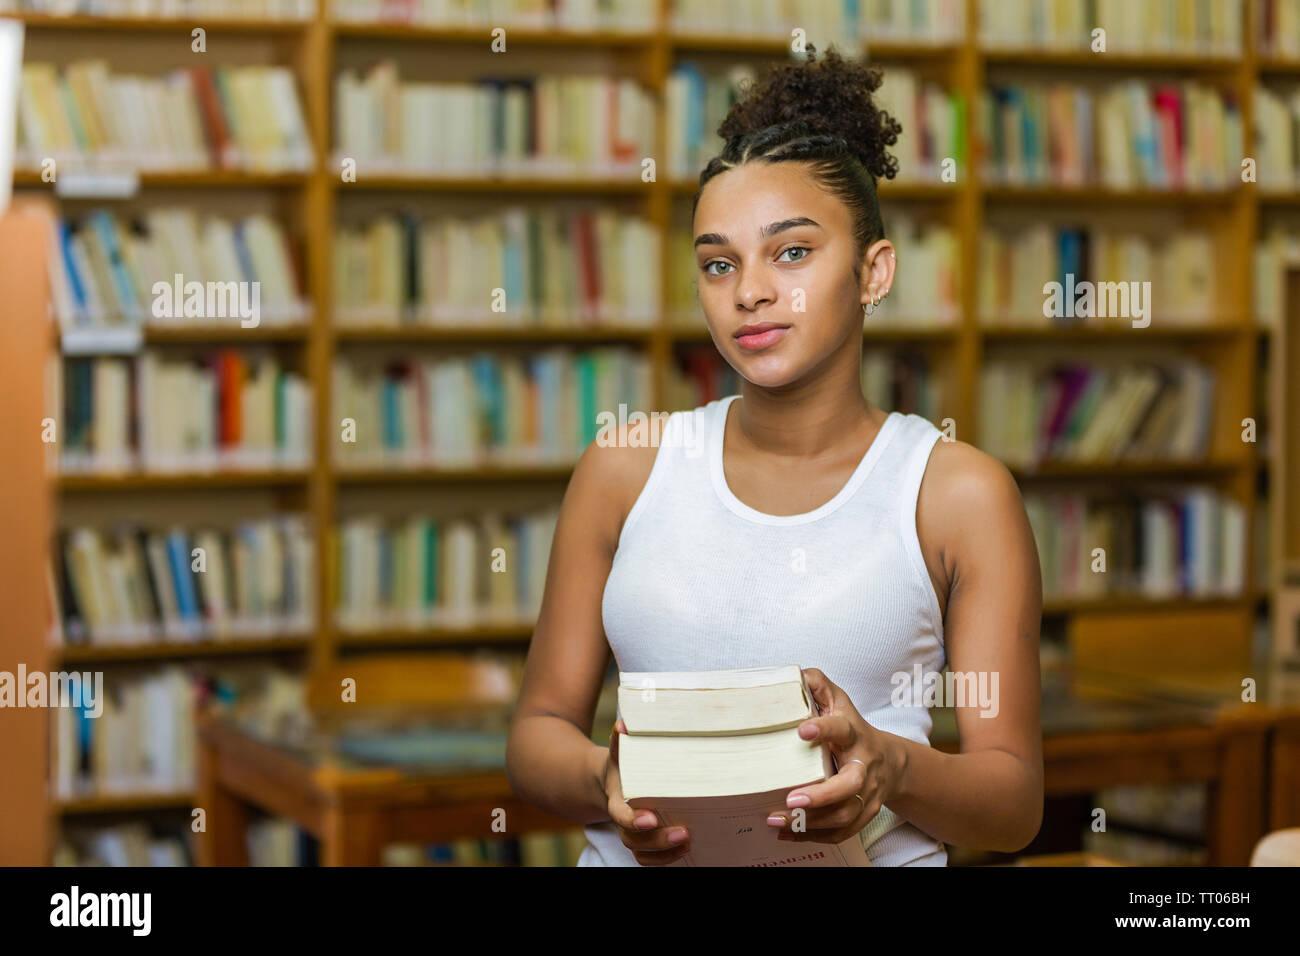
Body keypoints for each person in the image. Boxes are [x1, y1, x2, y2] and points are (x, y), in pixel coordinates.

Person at [506, 45, 1043, 866]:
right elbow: (537, 735)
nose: (749, 291)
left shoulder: (956, 493)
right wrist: (604, 775)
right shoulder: (624, 467)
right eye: (719, 263)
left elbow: (1012, 803)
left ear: (874, 271)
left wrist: (888, 767)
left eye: (791, 252)